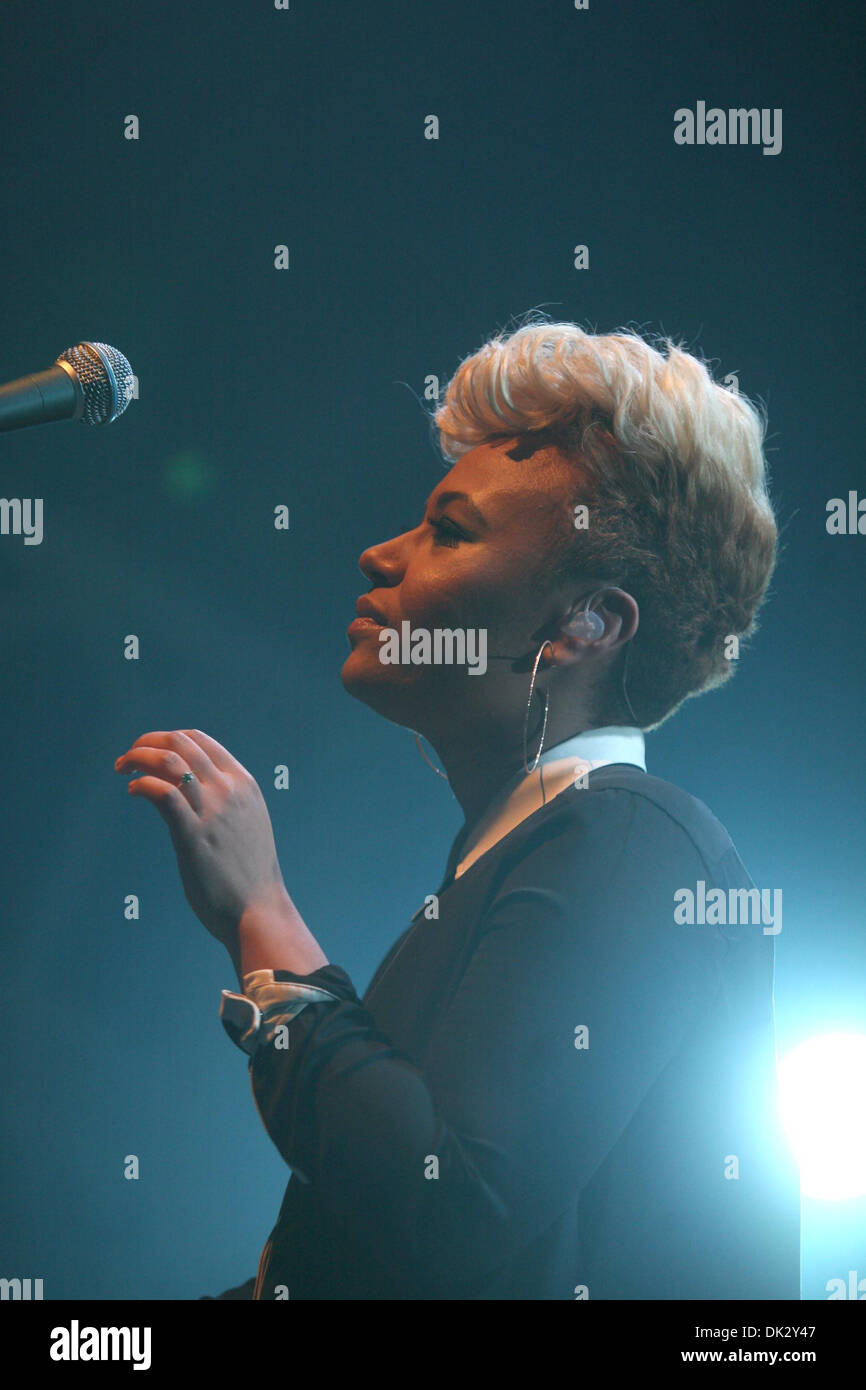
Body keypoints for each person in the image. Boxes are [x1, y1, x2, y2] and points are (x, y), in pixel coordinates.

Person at [114, 319, 801, 1300]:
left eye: (448, 529)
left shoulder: (634, 839)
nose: (379, 553)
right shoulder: (536, 853)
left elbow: (450, 1205)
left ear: (586, 623)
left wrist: (259, 914)